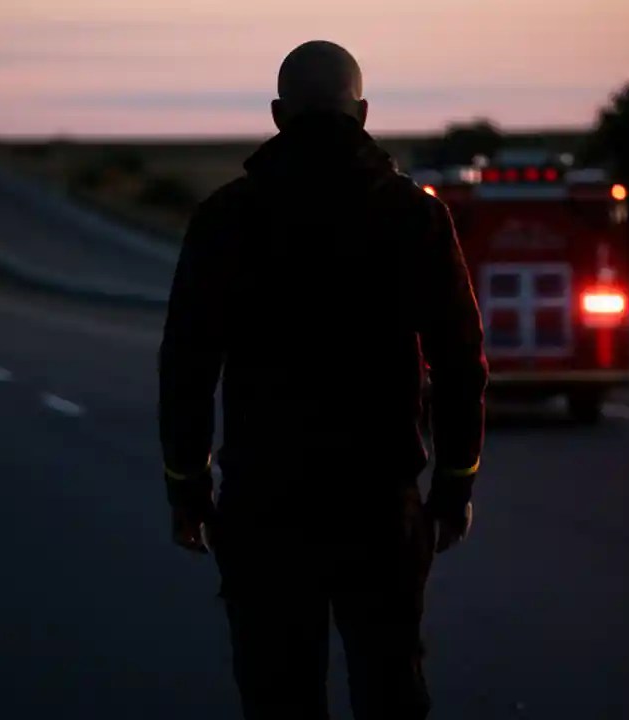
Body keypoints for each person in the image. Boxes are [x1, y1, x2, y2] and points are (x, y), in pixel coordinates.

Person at [158, 40, 488, 719]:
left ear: (278, 115)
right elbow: (461, 360)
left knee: (279, 698)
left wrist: (187, 488)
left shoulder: (226, 218)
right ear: (362, 113)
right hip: (380, 506)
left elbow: (187, 363)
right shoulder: (415, 215)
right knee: (391, 689)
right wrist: (455, 486)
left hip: (265, 508)